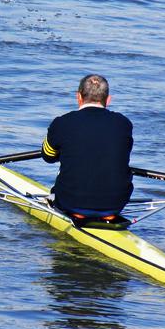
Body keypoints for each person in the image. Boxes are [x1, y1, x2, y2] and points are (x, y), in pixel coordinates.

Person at [42, 74, 134, 223]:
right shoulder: (124, 124)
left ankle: (75, 209)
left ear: (78, 97)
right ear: (108, 99)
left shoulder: (61, 123)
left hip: (71, 204)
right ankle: (106, 214)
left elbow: (48, 157)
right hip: (115, 205)